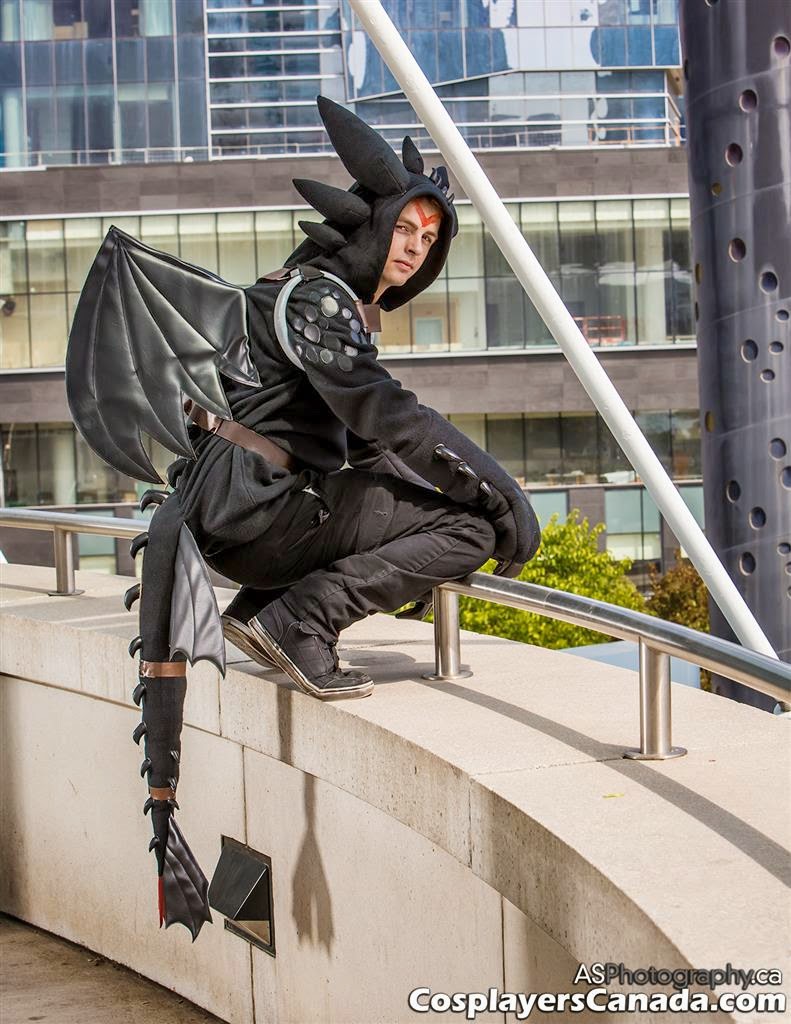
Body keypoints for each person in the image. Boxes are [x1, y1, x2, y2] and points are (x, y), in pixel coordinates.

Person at [64, 95, 540, 937]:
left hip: (251, 508)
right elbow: (386, 418)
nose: (414, 251)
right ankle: (298, 621)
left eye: (428, 242)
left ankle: (264, 616)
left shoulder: (319, 297)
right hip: (257, 511)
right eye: (405, 233)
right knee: (465, 527)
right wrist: (494, 493)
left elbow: (358, 445)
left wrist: (441, 493)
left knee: (433, 511)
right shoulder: (316, 301)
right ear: (371, 226)